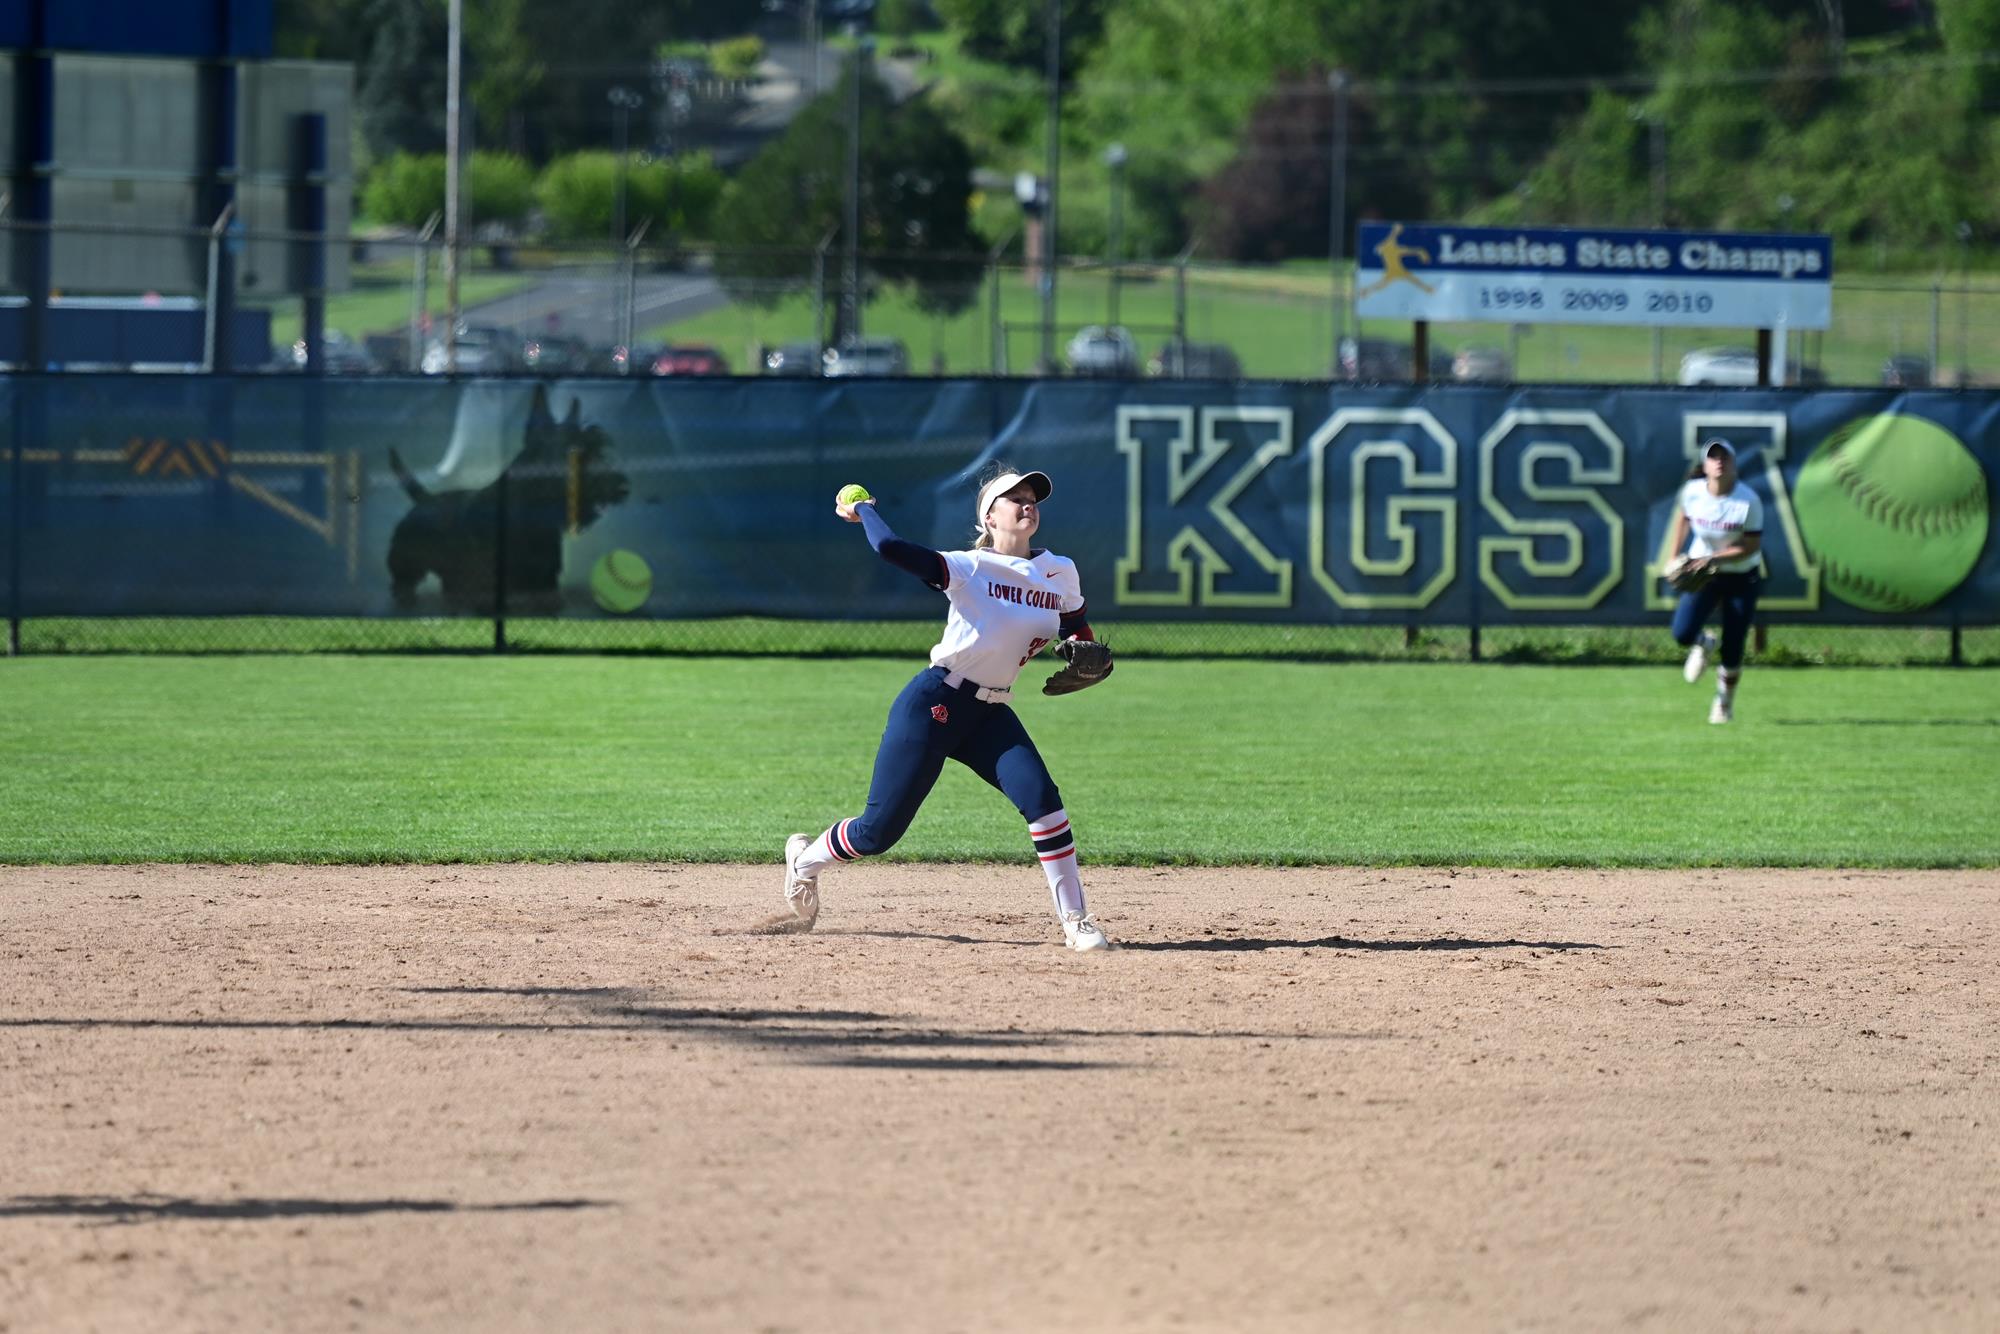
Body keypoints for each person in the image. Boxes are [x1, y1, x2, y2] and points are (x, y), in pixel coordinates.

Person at [780, 465, 1113, 951]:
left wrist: (1086, 654)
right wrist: (865, 509)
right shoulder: (968, 567)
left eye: (1032, 498)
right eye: (1014, 498)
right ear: (989, 517)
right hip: (935, 702)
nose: (1027, 504)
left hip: (990, 713)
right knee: (878, 831)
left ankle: (1076, 922)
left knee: (1043, 801)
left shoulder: (1059, 571)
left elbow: (1076, 630)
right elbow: (890, 549)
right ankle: (804, 861)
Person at [1667, 437, 1764, 723]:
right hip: (1704, 574)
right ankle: (1704, 642)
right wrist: (1673, 556)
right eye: (1713, 457)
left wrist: (1713, 559)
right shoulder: (1693, 492)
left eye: (1725, 457)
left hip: (1740, 574)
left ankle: (1724, 703)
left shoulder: (1747, 500)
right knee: (1682, 633)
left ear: (1734, 464)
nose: (1719, 461)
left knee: (1734, 644)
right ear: (1705, 465)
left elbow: (1751, 546)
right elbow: (1683, 518)